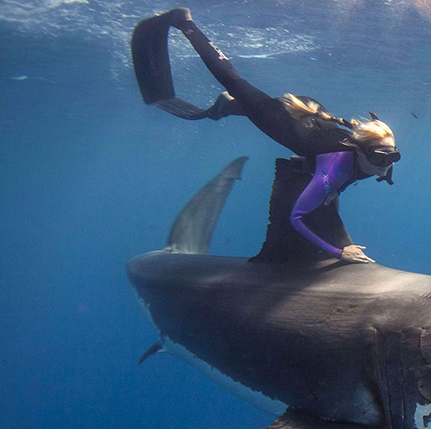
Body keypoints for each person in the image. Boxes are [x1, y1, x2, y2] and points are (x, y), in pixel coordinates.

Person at [131, 8, 401, 264]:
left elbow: (376, 161)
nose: (386, 163)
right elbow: (297, 217)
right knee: (234, 81)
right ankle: (185, 23)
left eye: (393, 157)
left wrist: (380, 166)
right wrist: (339, 252)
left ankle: (230, 106)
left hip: (314, 116)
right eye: (380, 158)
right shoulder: (334, 168)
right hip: (284, 121)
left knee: (251, 106)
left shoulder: (374, 157)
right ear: (361, 151)